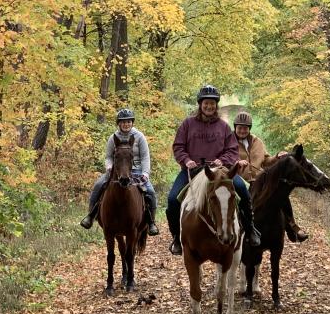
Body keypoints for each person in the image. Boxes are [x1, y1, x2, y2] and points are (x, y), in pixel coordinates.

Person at [166, 84, 261, 256]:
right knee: (173, 199)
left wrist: (222, 160)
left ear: (216, 105)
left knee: (242, 190)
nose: (209, 106)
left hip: (219, 171)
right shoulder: (187, 124)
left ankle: (250, 229)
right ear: (200, 104)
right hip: (193, 170)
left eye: (212, 103)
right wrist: (186, 160)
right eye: (206, 103)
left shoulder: (223, 127)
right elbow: (178, 146)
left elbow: (232, 149)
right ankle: (176, 237)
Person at [80, 108, 159, 235]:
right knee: (98, 185)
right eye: (123, 122)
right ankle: (91, 215)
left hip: (136, 170)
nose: (126, 124)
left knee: (150, 192)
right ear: (119, 123)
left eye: (128, 122)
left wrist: (145, 173)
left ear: (132, 122)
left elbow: (145, 157)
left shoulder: (139, 137)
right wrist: (109, 166)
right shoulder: (113, 138)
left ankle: (151, 222)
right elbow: (108, 156)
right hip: (117, 170)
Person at [232, 111, 307, 242]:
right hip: (241, 180)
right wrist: (236, 164)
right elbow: (225, 160)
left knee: (281, 192)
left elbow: (266, 161)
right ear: (235, 127)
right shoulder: (228, 142)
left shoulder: (257, 142)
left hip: (260, 180)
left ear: (249, 128)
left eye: (245, 128)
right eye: (240, 128)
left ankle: (292, 227)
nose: (242, 131)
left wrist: (277, 157)